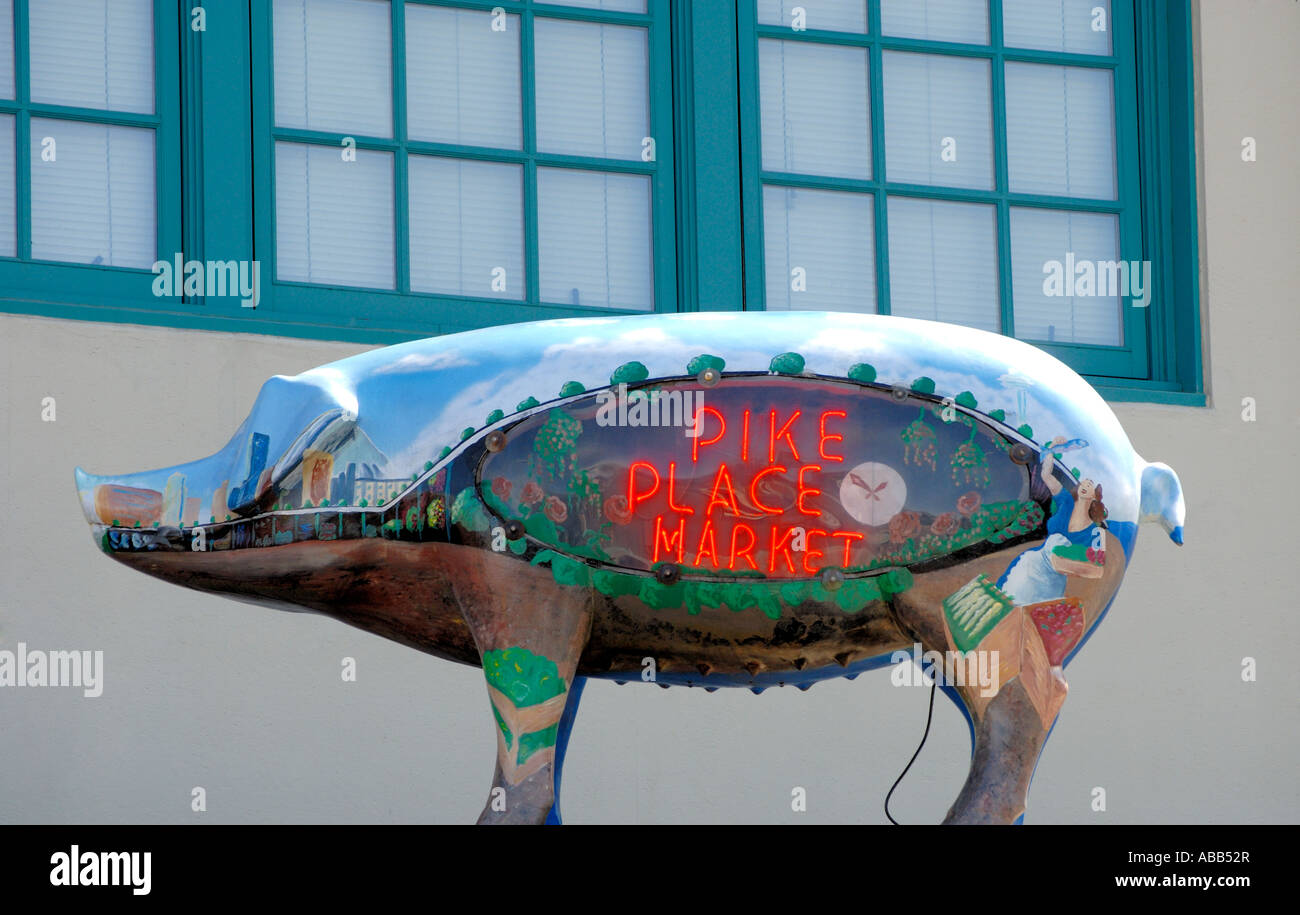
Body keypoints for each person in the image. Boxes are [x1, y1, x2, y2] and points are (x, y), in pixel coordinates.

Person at [996, 436, 1108, 605]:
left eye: (1090, 484)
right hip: (1029, 565)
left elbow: (1097, 571)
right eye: (1084, 482)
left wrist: (1062, 563)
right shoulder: (1066, 502)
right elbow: (1046, 475)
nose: (1085, 485)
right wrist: (1053, 448)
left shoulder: (1094, 532)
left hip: (1050, 583)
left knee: (1029, 614)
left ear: (1094, 495)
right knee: (1005, 603)